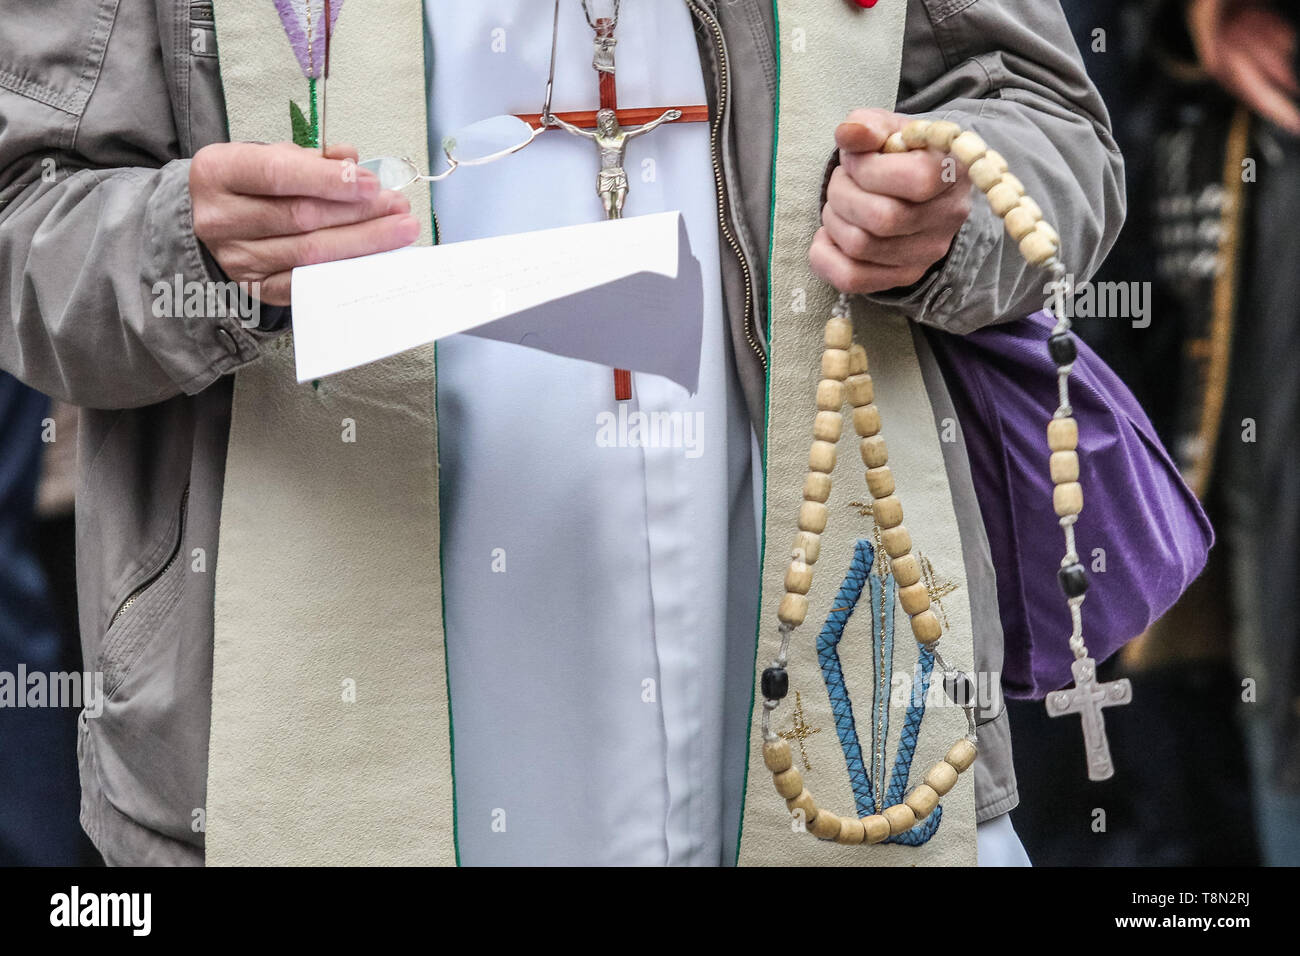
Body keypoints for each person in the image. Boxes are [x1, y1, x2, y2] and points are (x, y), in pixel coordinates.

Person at [0, 0, 1123, 865]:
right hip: (329, 663)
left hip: (788, 652)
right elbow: (24, 229)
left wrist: (948, 216)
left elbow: (1050, 125)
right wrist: (187, 246)